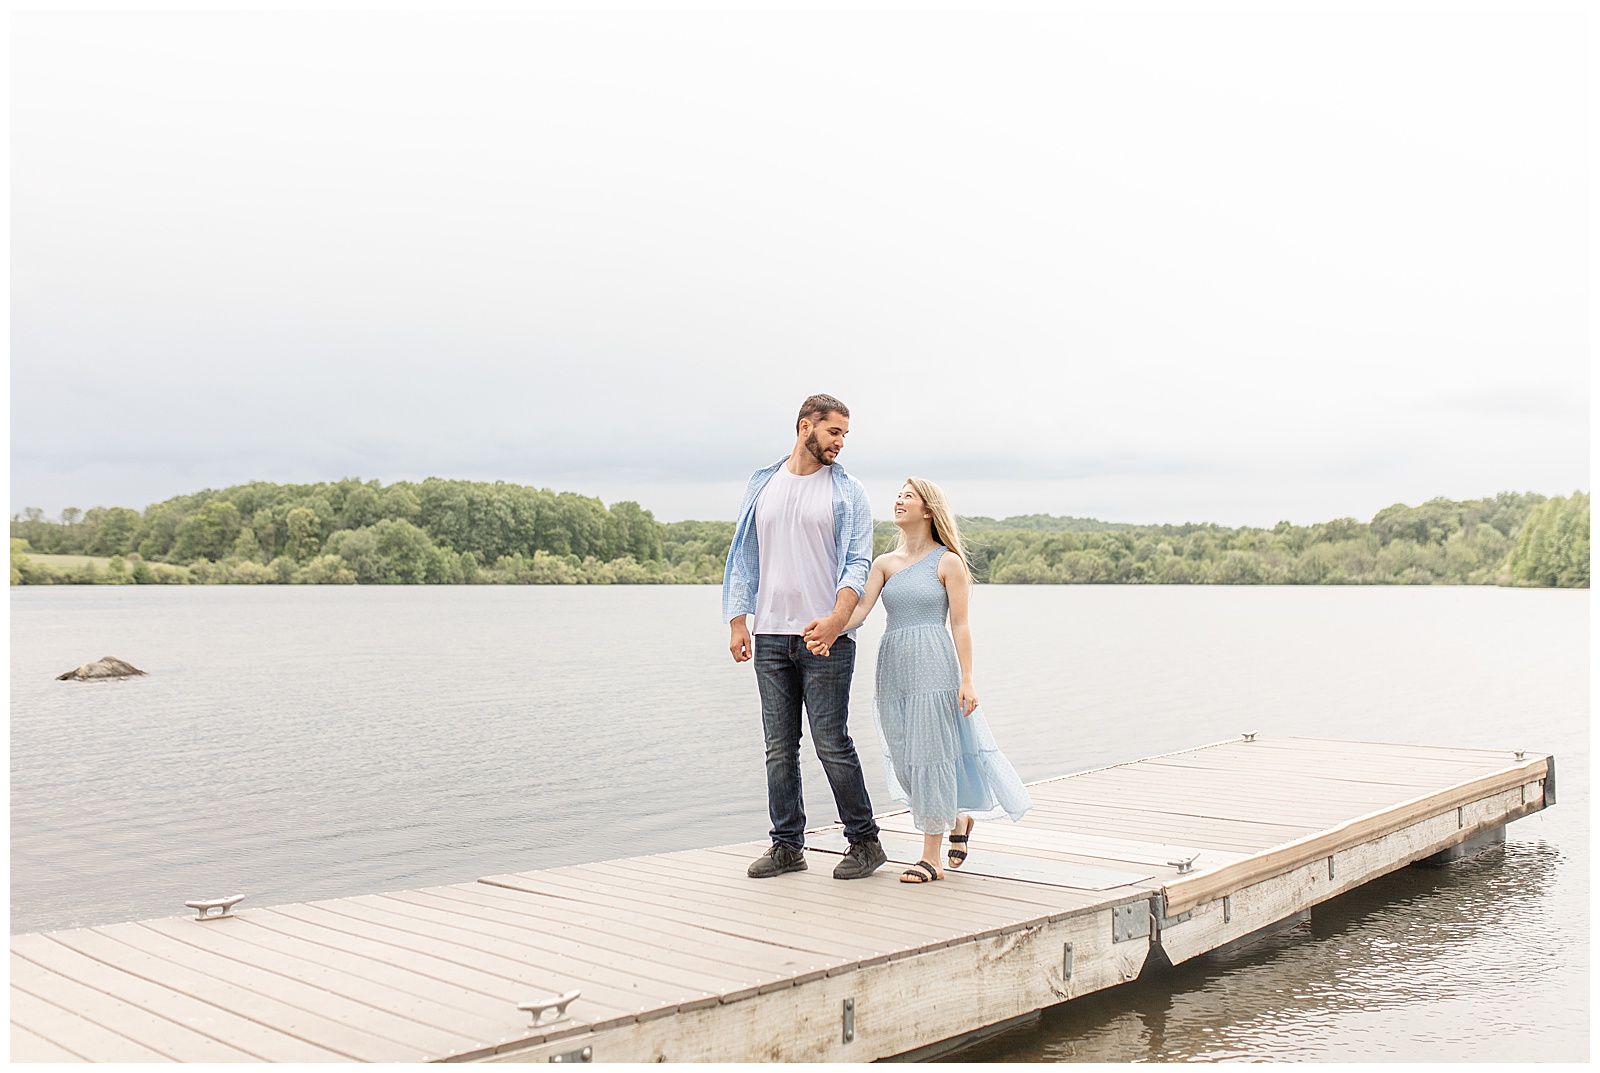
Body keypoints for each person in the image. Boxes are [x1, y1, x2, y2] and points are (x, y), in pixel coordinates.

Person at [808, 477, 1032, 883]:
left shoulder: (948, 562)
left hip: (934, 663)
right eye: (898, 495)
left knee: (931, 756)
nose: (898, 501)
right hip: (893, 667)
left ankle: (930, 858)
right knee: (909, 763)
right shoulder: (884, 563)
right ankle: (958, 819)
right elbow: (858, 614)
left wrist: (968, 678)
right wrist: (828, 631)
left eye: (907, 497)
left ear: (927, 510)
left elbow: (961, 625)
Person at [723, 394, 887, 880]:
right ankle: (787, 845)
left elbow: (857, 561)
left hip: (825, 635)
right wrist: (738, 620)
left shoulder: (848, 490)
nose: (840, 443)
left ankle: (865, 841)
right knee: (778, 746)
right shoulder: (763, 483)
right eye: (833, 432)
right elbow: (744, 555)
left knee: (831, 742)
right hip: (771, 633)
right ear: (804, 427)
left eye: (844, 435)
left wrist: (838, 621)